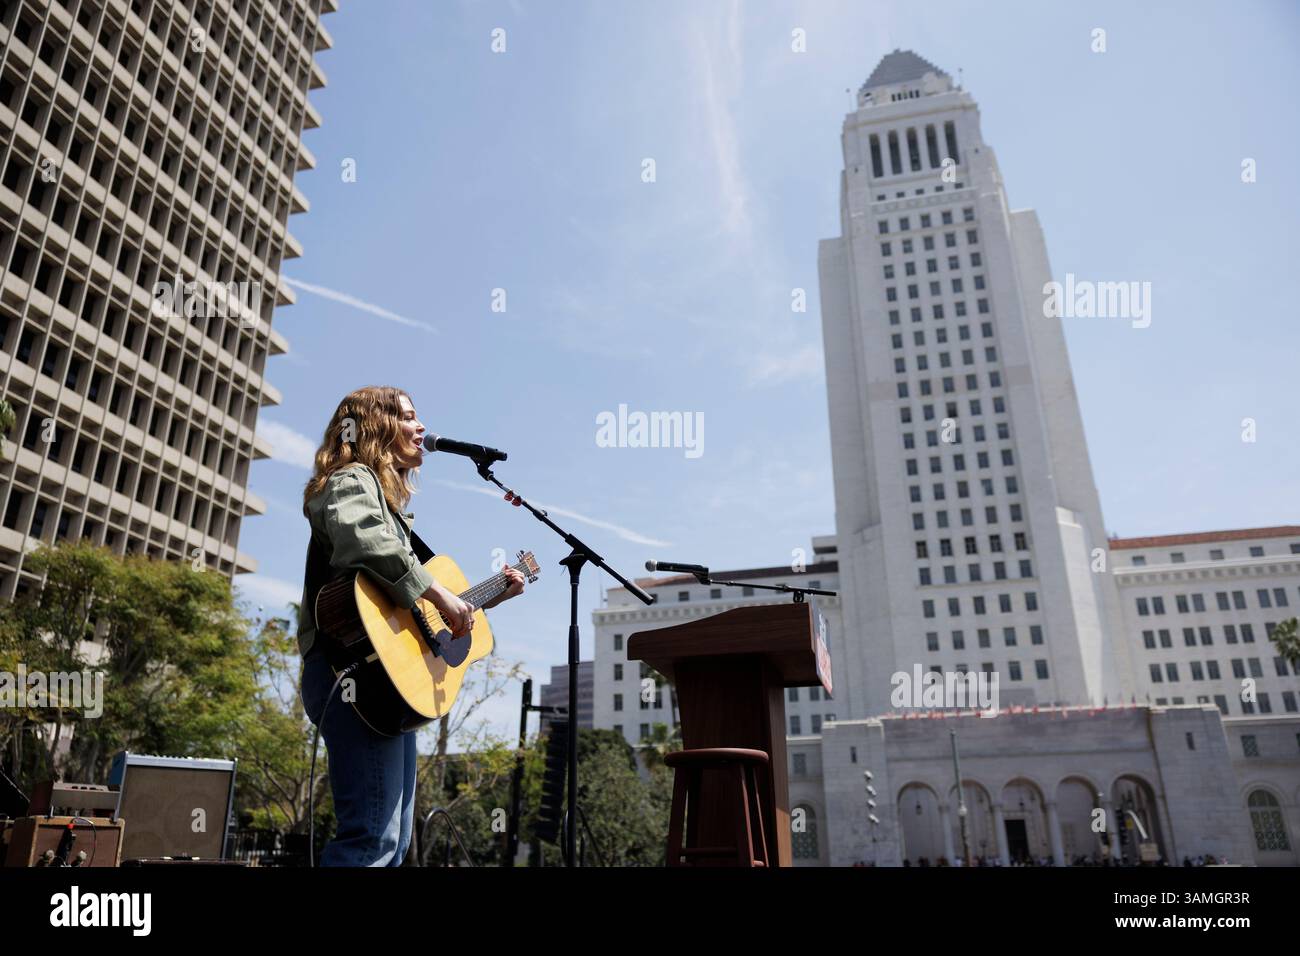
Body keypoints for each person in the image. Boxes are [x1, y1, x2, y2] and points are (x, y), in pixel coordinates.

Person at [297, 386, 525, 866]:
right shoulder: (350, 478)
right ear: (374, 426)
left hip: (385, 681)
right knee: (370, 840)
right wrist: (439, 594)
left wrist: (481, 600)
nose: (422, 427)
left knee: (394, 844)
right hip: (352, 674)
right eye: (409, 416)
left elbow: (413, 615)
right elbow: (363, 539)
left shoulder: (389, 506)